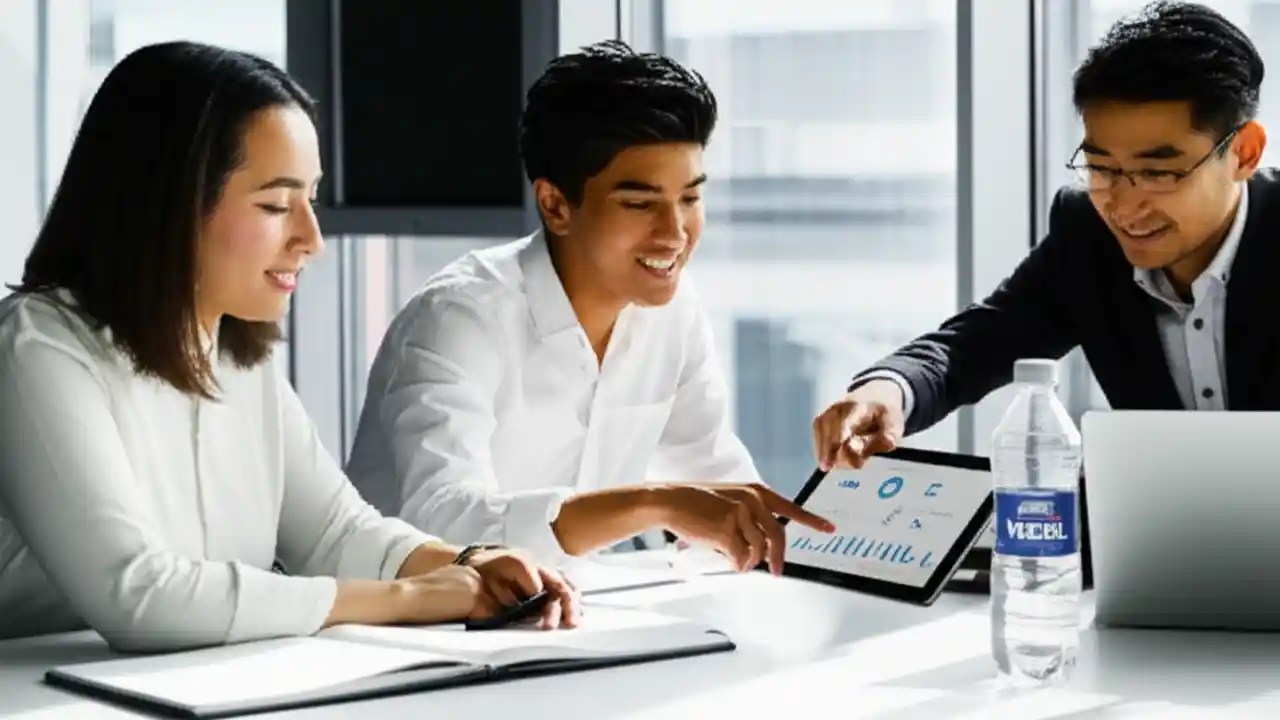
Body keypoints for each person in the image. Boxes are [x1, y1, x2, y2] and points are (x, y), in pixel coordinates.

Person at [0, 41, 577, 652]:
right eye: (277, 204)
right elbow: (139, 595)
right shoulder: (37, 347)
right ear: (169, 203)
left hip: (197, 688)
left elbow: (334, 532)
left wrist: (465, 561)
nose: (311, 238)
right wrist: (414, 598)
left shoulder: (232, 352)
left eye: (312, 199)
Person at [346, 40, 833, 575]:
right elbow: (442, 523)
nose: (674, 235)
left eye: (690, 200)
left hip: (567, 619)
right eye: (641, 204)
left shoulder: (673, 312)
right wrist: (655, 502)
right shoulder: (459, 317)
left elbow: (715, 479)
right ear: (556, 204)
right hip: (405, 626)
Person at [813, 0, 1271, 471]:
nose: (1123, 204)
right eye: (1100, 167)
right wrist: (885, 392)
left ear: (1244, 153)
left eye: (1158, 172)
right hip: (1164, 537)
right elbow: (972, 346)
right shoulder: (1088, 236)